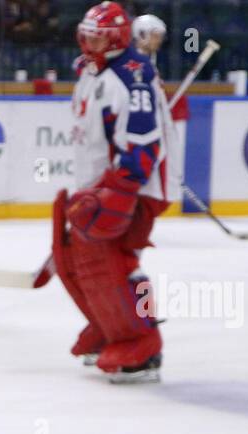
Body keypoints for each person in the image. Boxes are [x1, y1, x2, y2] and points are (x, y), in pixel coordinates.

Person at [54, 2, 169, 382]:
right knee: (83, 261)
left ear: (117, 38)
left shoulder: (131, 77)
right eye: (86, 33)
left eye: (98, 35)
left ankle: (145, 339)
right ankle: (111, 325)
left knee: (124, 264)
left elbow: (143, 149)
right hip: (102, 183)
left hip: (138, 186)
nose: (89, 40)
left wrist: (120, 190)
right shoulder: (93, 70)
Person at [131, 13, 183, 203]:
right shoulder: (133, 63)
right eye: (155, 35)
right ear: (142, 34)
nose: (159, 40)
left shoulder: (149, 63)